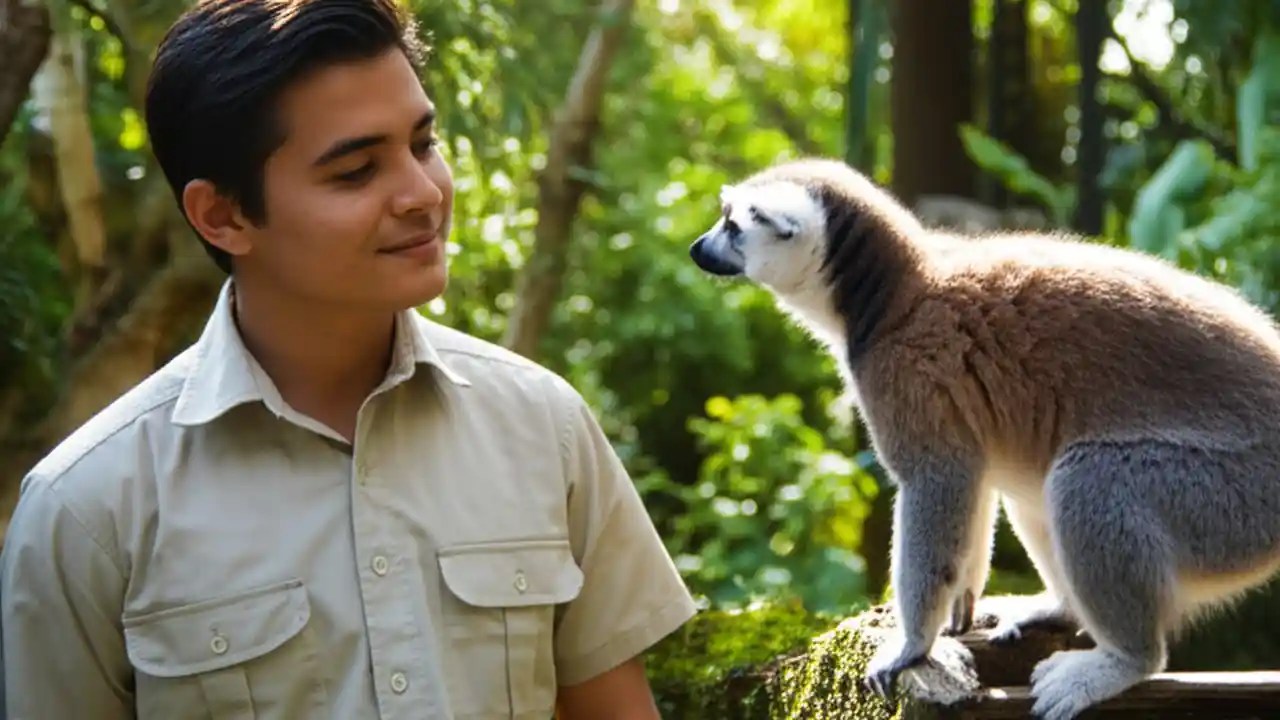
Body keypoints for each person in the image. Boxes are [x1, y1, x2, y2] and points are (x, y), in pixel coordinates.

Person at [0, 0, 698, 717]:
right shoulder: (88, 511)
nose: (424, 194)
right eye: (357, 171)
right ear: (223, 216)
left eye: (423, 145)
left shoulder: (542, 429)